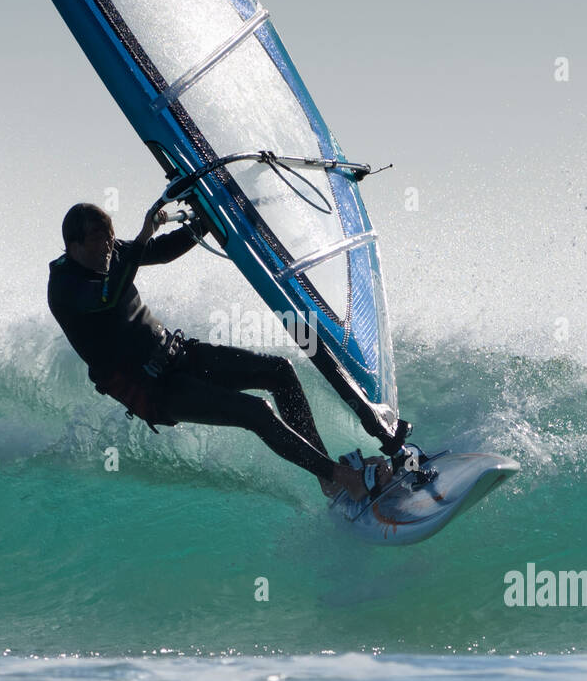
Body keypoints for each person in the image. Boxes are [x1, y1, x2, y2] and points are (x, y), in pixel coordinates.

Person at [47, 201, 390, 502]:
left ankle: (326, 477)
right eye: (97, 237)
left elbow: (162, 252)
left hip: (177, 353)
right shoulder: (65, 286)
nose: (108, 244)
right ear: (73, 245)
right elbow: (106, 296)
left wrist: (205, 220)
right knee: (256, 412)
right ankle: (344, 479)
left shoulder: (113, 254)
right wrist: (141, 238)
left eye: (110, 235)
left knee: (279, 371)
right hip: (154, 389)